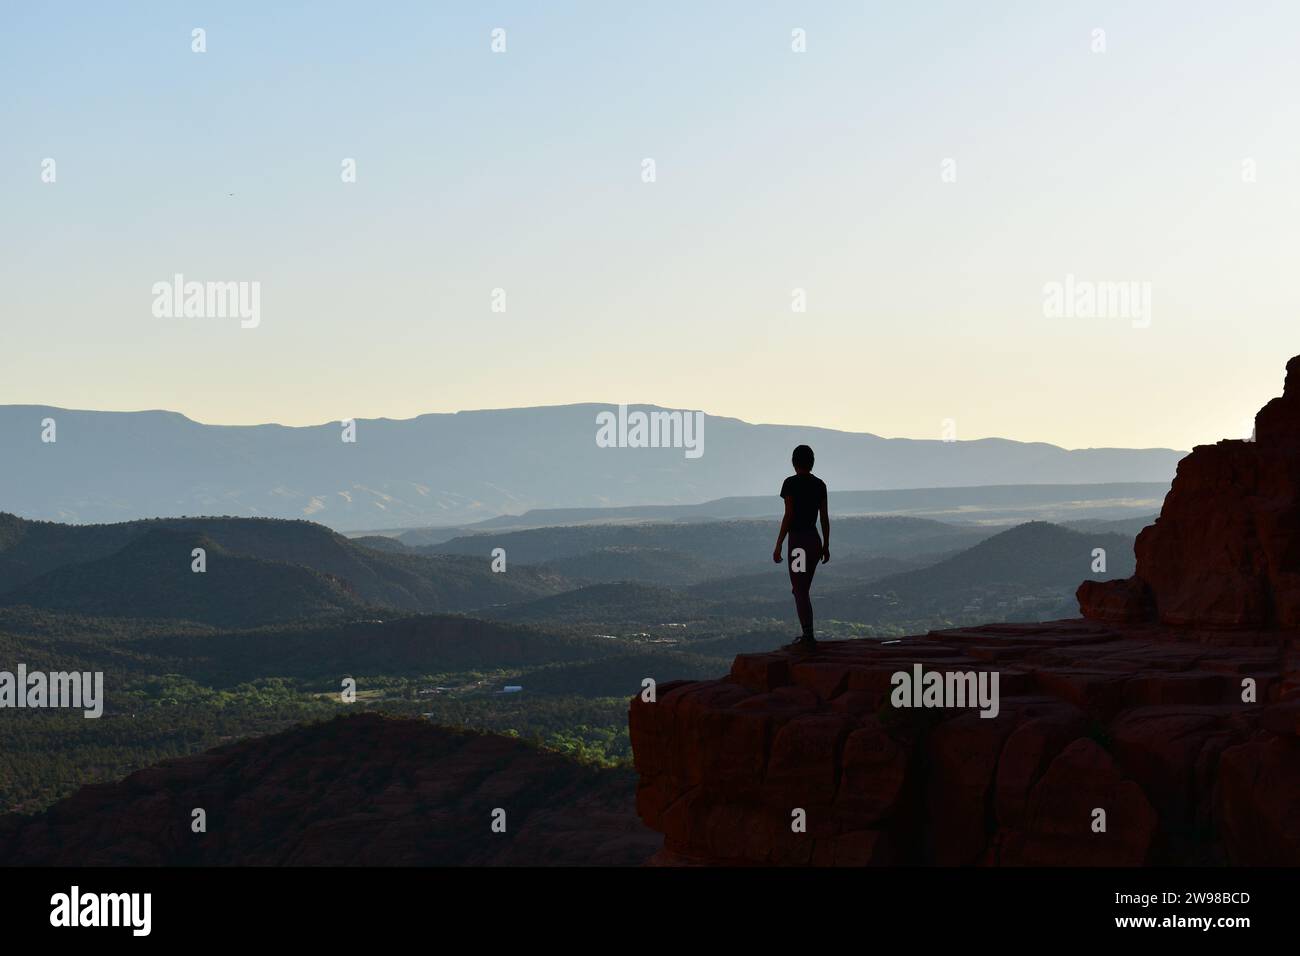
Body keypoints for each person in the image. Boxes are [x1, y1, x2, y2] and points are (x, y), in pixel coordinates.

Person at [772, 444, 829, 650]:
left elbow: (788, 515)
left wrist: (779, 544)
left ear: (794, 463)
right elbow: (823, 517)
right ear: (812, 462)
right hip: (814, 539)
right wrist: (826, 544)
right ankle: (808, 634)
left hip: (798, 543)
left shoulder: (790, 484)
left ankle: (808, 636)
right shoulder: (820, 485)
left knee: (799, 590)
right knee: (803, 589)